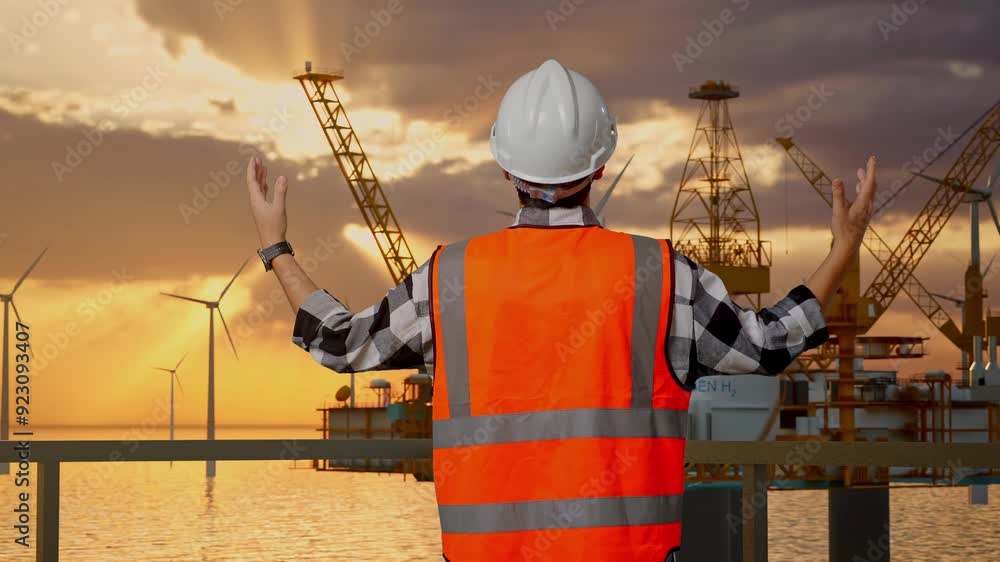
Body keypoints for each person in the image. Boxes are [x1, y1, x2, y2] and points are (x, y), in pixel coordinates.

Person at [245, 59, 877, 562]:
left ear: (503, 166)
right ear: (600, 167)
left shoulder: (449, 278)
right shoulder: (659, 277)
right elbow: (769, 345)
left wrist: (276, 247)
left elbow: (339, 343)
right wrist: (842, 249)